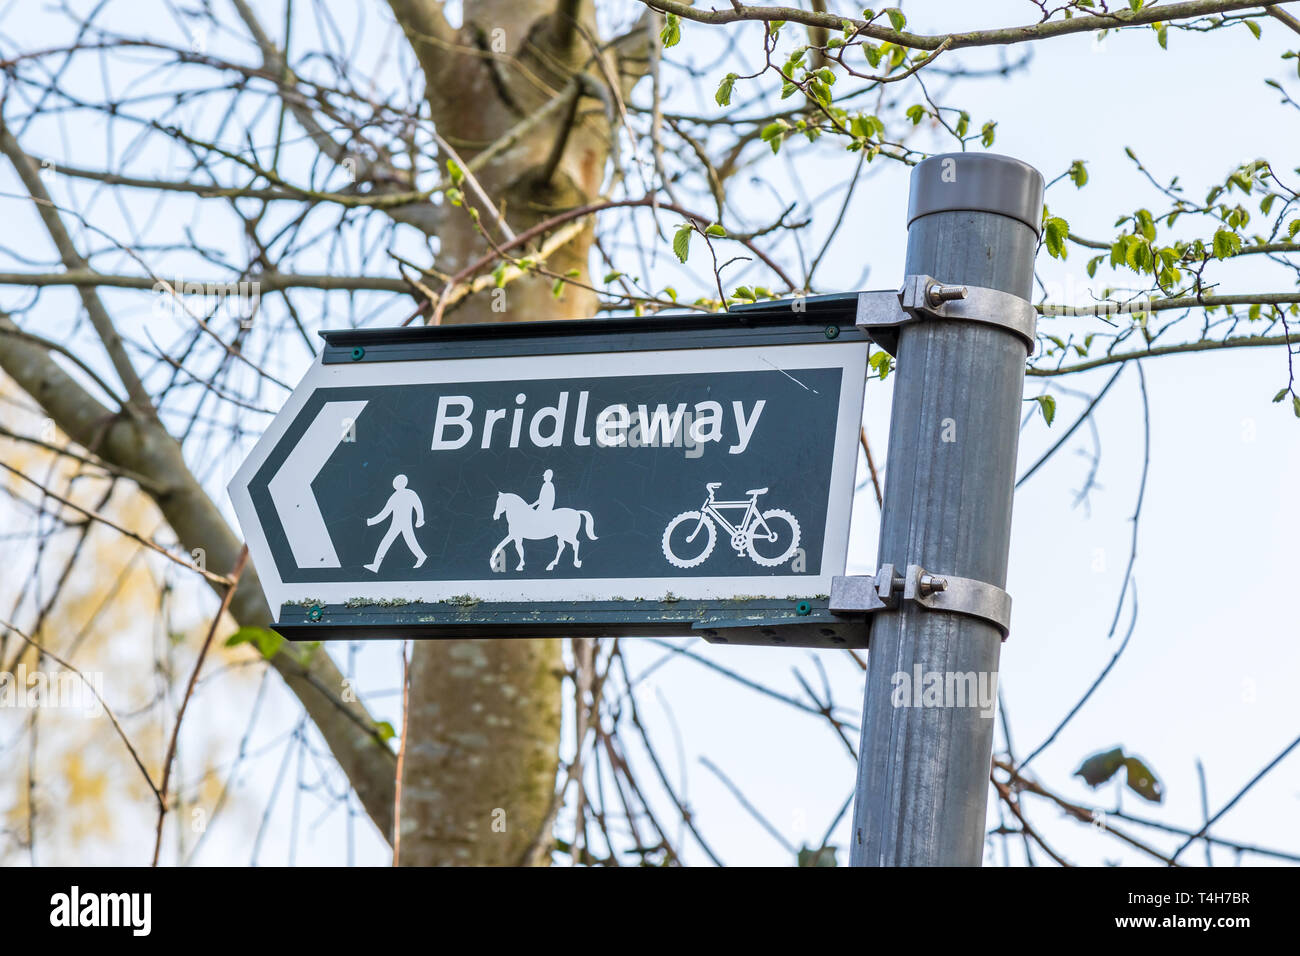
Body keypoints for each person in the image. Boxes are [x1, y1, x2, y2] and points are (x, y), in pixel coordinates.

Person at [364, 474, 427, 572]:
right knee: (392, 542)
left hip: (405, 523)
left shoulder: (410, 493)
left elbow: (418, 506)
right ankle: (376, 565)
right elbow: (385, 512)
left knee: (406, 542)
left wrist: (420, 519)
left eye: (397, 481)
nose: (395, 483)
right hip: (396, 524)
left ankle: (421, 556)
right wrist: (372, 521)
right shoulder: (395, 496)